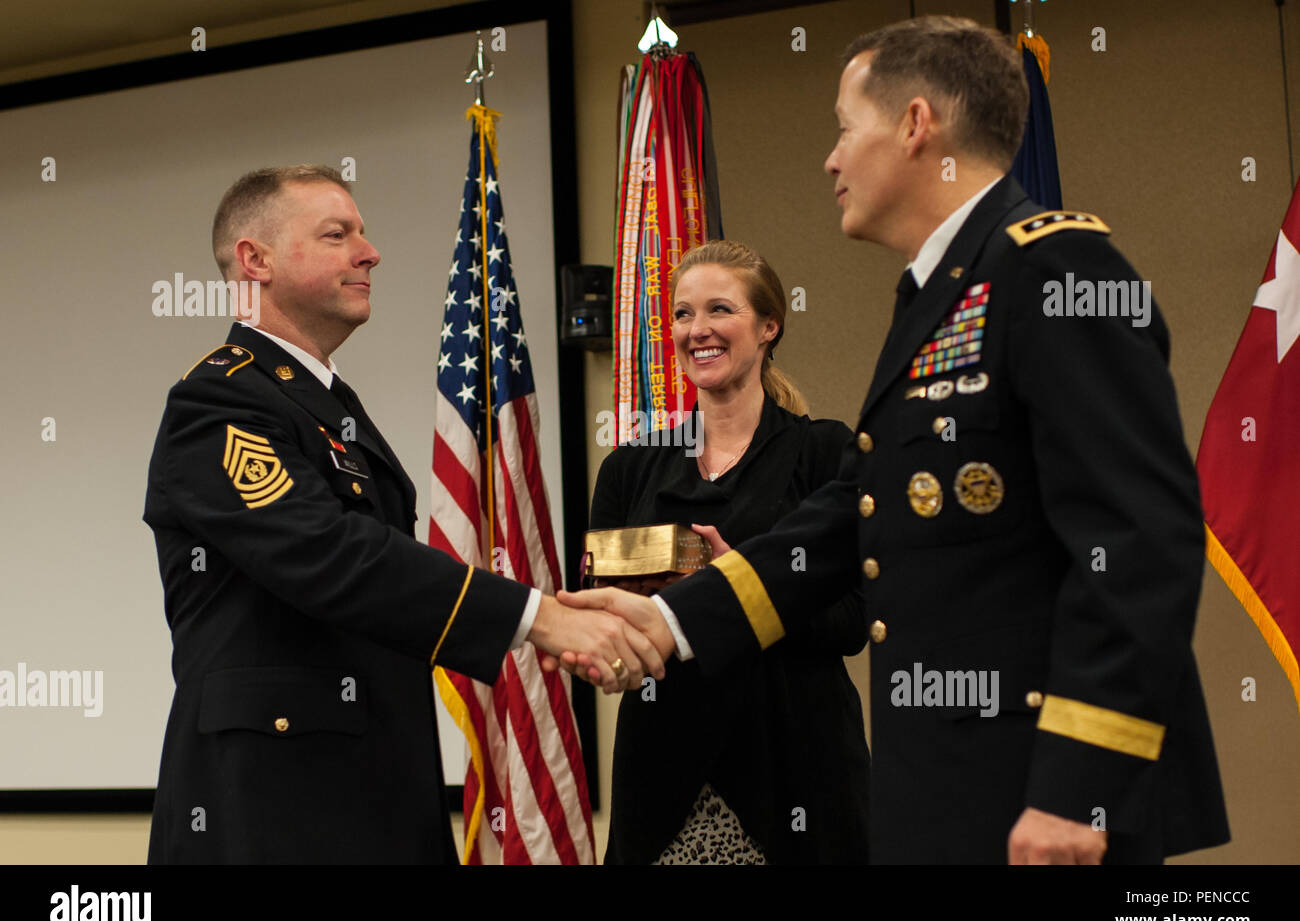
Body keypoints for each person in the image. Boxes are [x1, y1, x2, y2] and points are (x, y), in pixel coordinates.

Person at [561, 17, 1231, 864]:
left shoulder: (1056, 270)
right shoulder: (936, 296)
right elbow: (850, 518)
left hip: (1044, 801)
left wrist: (1079, 787)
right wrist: (669, 621)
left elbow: (1139, 543)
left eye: (846, 127)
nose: (832, 159)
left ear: (917, 125)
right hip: (948, 790)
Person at [143, 164, 665, 863]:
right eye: (338, 234)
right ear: (254, 260)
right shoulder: (217, 403)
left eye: (362, 232)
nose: (370, 251)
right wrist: (540, 616)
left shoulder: (330, 406)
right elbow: (331, 555)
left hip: (374, 794)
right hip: (272, 813)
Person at [590, 240, 870, 865]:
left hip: (794, 764)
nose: (699, 331)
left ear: (769, 326)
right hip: (662, 776)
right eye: (684, 314)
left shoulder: (825, 454)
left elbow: (854, 622)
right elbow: (601, 621)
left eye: (721, 310)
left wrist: (735, 588)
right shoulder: (627, 471)